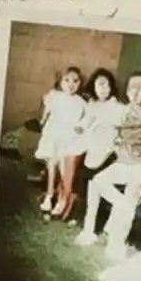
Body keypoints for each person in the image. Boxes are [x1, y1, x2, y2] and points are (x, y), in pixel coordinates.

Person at [75, 71, 141, 261]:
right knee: (98, 182)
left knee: (129, 196)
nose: (136, 94)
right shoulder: (122, 110)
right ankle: (116, 212)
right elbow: (109, 127)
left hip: (138, 166)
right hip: (122, 162)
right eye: (132, 90)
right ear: (127, 90)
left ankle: (116, 244)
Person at [54, 68, 123, 221]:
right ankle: (65, 197)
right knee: (69, 155)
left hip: (106, 149)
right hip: (90, 145)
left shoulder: (116, 107)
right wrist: (78, 128)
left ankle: (68, 200)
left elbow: (119, 128)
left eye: (106, 85)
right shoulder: (92, 105)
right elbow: (84, 125)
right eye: (100, 85)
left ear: (111, 87)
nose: (103, 90)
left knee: (82, 165)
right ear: (94, 87)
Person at [36, 66, 86, 215]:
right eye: (67, 80)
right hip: (53, 135)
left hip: (68, 138)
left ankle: (63, 198)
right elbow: (45, 115)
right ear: (61, 82)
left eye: (75, 81)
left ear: (80, 83)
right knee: (51, 166)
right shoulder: (54, 96)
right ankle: (49, 195)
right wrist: (43, 120)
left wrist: (79, 129)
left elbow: (83, 123)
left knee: (65, 170)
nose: (71, 85)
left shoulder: (81, 102)